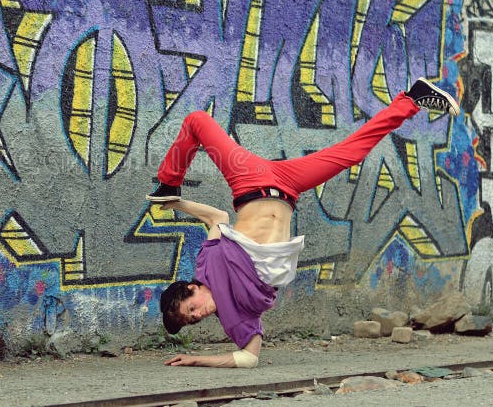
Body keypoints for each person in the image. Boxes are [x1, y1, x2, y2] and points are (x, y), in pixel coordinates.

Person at [147, 78, 460, 368]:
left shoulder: (206, 262)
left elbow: (219, 217)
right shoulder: (234, 318)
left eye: (191, 309)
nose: (199, 315)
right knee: (350, 155)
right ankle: (412, 98)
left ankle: (167, 181)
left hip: (249, 180)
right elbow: (248, 357)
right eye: (193, 320)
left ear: (191, 288)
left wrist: (175, 200)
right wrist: (199, 360)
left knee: (197, 121)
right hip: (287, 187)